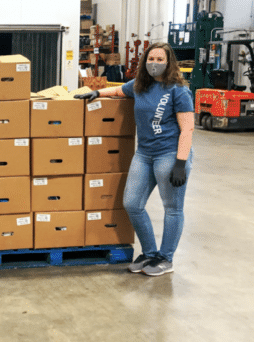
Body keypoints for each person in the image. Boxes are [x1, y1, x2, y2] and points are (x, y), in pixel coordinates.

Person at [75, 42, 194, 276]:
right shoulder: (140, 85)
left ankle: (165, 258)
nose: (155, 64)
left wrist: (180, 163)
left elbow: (187, 129)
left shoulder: (178, 90)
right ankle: (149, 253)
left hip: (169, 154)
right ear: (144, 62)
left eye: (160, 60)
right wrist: (97, 92)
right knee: (132, 204)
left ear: (169, 63)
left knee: (172, 208)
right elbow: (119, 90)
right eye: (151, 59)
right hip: (144, 154)